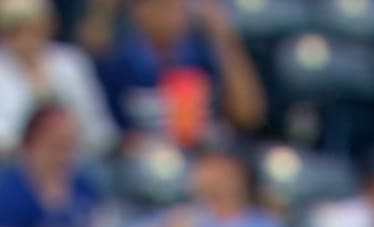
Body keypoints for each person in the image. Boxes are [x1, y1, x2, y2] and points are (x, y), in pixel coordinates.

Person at [86, 0, 265, 147]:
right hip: (144, 161)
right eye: (163, 5)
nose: (174, 13)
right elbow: (109, 136)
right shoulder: (119, 63)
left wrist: (223, 37)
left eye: (179, 5)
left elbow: (248, 116)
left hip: (205, 154)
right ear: (138, 12)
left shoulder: (202, 55)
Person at [0, 0, 115, 158]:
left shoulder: (72, 61)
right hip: (12, 158)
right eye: (16, 30)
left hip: (76, 156)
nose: (26, 37)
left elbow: (94, 118)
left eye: (33, 28)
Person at [0, 103, 103, 227]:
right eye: (56, 145)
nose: (64, 155)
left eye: (71, 146)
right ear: (32, 144)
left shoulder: (82, 185)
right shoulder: (9, 192)